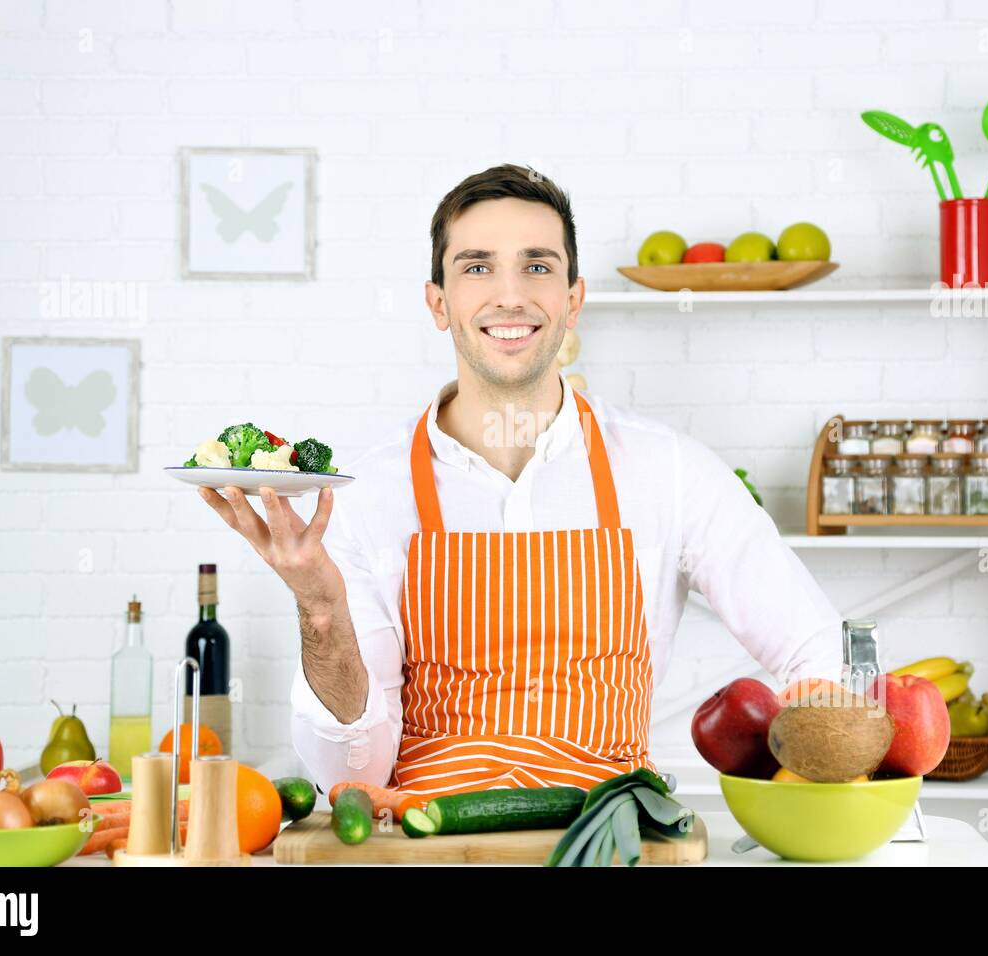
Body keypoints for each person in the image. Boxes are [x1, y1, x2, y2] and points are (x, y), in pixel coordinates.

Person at [198, 163, 842, 801]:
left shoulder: (671, 473)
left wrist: (812, 788)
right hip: (431, 851)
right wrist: (320, 610)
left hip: (605, 843)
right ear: (438, 303)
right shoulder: (364, 498)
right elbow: (352, 778)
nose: (510, 295)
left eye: (537, 266)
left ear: (573, 300)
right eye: (477, 267)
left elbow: (818, 653)